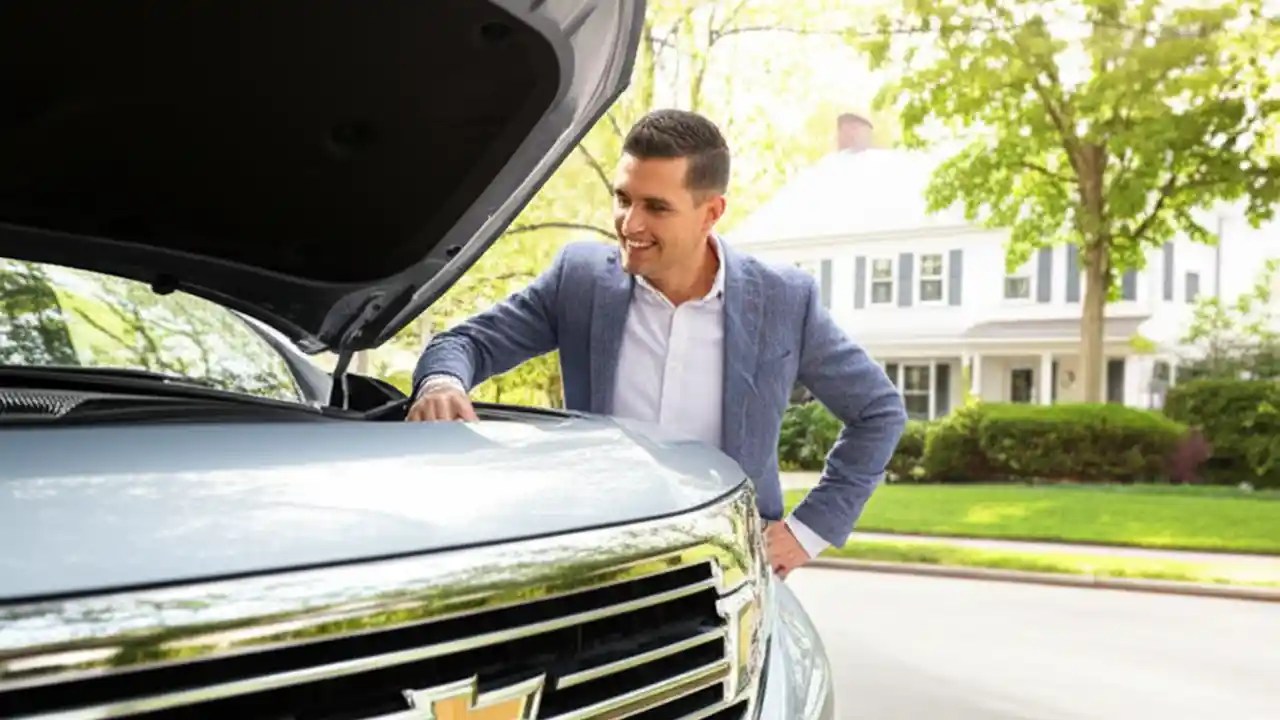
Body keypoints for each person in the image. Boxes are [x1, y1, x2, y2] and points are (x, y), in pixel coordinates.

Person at [407, 109, 906, 578]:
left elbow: (878, 411)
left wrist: (808, 531)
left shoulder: (784, 301)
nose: (630, 224)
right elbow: (467, 342)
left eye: (656, 207)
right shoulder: (579, 282)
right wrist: (442, 382)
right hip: (601, 559)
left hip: (727, 572)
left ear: (711, 212)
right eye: (624, 198)